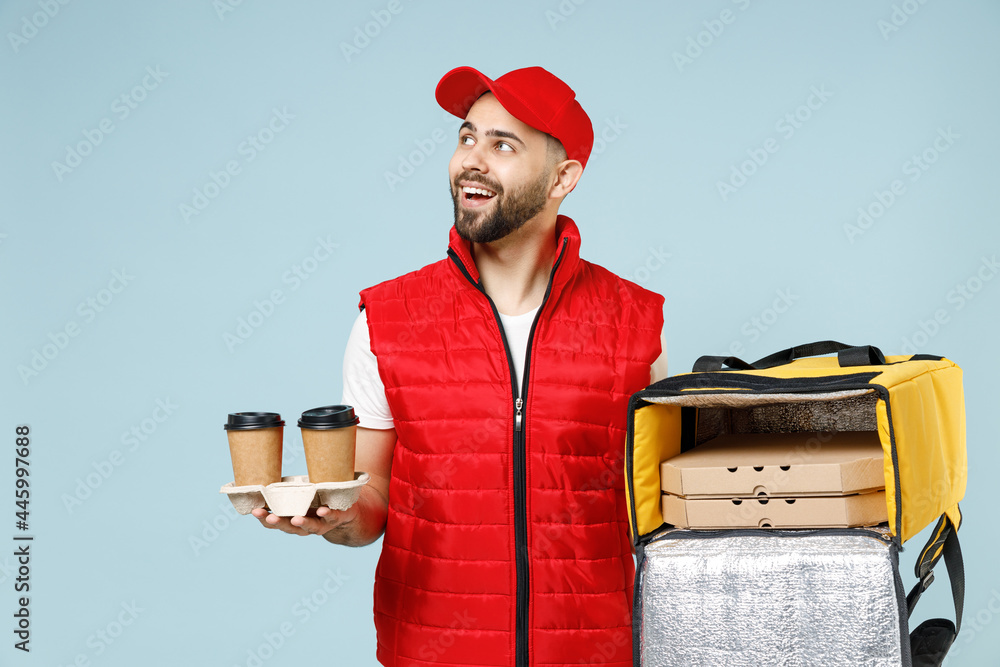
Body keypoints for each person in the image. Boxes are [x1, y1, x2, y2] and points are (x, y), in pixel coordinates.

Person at [253, 66, 668, 667]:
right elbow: (370, 506)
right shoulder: (386, 319)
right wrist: (331, 517)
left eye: (503, 146)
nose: (471, 160)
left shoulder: (637, 324)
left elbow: (662, 515)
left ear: (563, 178)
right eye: (467, 137)